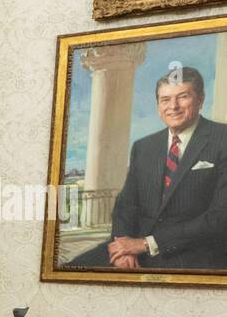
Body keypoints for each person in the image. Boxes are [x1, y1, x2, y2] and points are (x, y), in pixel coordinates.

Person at [69, 66, 227, 270]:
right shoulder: (144, 147)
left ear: (200, 99)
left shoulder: (222, 139)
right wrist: (123, 247)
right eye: (165, 99)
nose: (173, 106)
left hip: (194, 251)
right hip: (135, 247)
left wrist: (146, 244)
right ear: (157, 105)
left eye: (183, 97)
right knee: (70, 269)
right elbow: (126, 205)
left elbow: (220, 216)